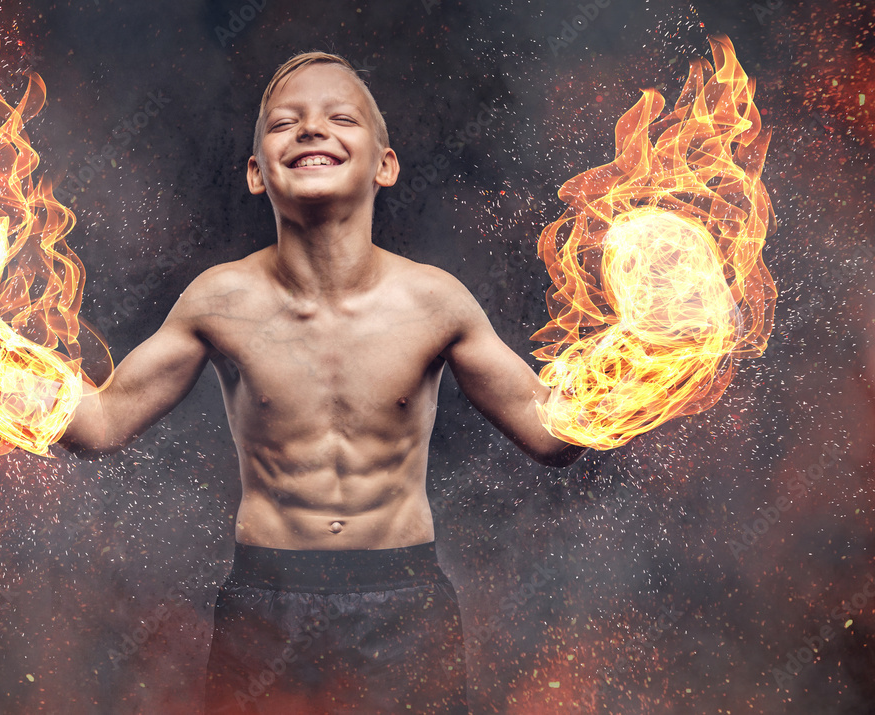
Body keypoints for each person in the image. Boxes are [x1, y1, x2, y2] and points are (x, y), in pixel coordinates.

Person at [59, 51, 584, 714]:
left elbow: (549, 433)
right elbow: (102, 422)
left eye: (341, 118)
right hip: (264, 605)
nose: (311, 130)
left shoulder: (436, 301)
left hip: (403, 604)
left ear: (384, 165)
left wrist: (643, 374)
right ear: (256, 173)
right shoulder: (218, 299)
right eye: (285, 123)